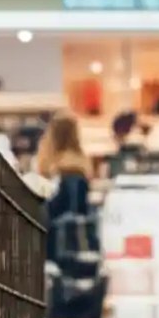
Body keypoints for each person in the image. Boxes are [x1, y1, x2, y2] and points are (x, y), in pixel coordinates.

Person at [32, 113, 94, 264]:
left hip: (55, 243)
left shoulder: (58, 168)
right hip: (77, 241)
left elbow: (51, 208)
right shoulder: (80, 163)